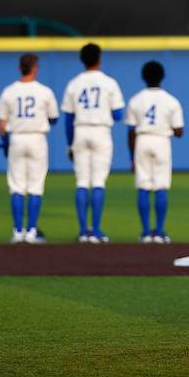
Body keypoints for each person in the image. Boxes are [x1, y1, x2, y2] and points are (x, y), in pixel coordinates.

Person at [61, 43, 126, 243]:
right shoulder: (109, 82)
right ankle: (96, 230)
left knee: (82, 181)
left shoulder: (74, 83)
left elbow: (68, 118)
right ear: (99, 58)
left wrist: (70, 144)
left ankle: (83, 231)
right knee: (98, 181)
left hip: (80, 131)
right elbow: (118, 114)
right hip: (100, 131)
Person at [0, 54, 60, 244]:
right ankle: (31, 231)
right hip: (37, 138)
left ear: (19, 67)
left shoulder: (9, 91)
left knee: (17, 186)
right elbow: (54, 118)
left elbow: (2, 122)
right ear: (35, 68)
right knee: (35, 186)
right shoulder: (44, 91)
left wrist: (5, 142)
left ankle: (17, 231)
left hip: (16, 138)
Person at [125, 61, 184, 244]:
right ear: (162, 77)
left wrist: (131, 158)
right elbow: (179, 131)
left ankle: (145, 232)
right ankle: (159, 232)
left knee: (143, 186)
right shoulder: (171, 100)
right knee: (160, 186)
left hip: (142, 140)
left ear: (143, 77)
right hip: (161, 141)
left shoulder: (135, 99)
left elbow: (131, 131)